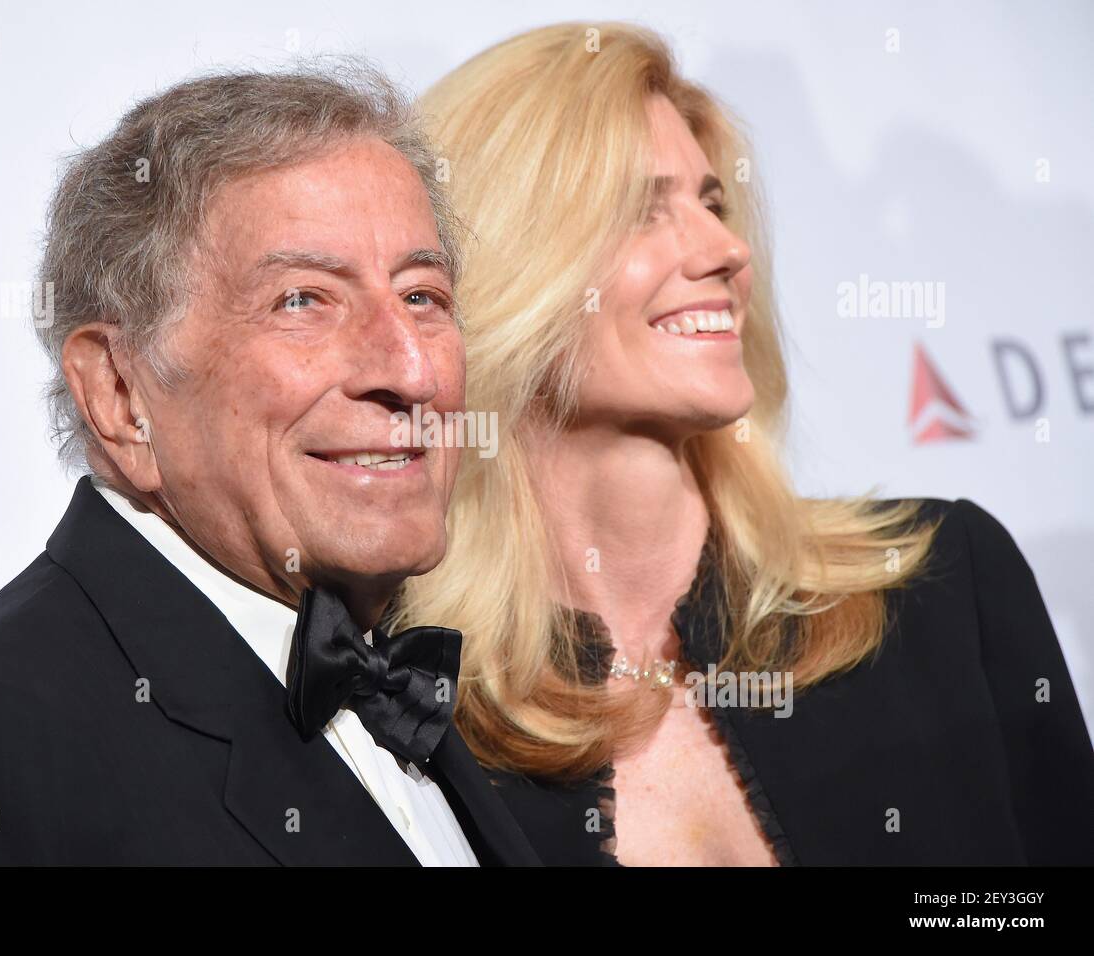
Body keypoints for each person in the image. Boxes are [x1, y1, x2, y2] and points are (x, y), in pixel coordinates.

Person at [391, 22, 1094, 865]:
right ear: (507, 266)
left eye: (713, 202)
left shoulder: (938, 582)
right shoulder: (408, 701)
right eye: (641, 212)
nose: (726, 251)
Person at [0, 63, 539, 866]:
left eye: (421, 297)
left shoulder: (427, 699)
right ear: (122, 396)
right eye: (302, 300)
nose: (409, 370)